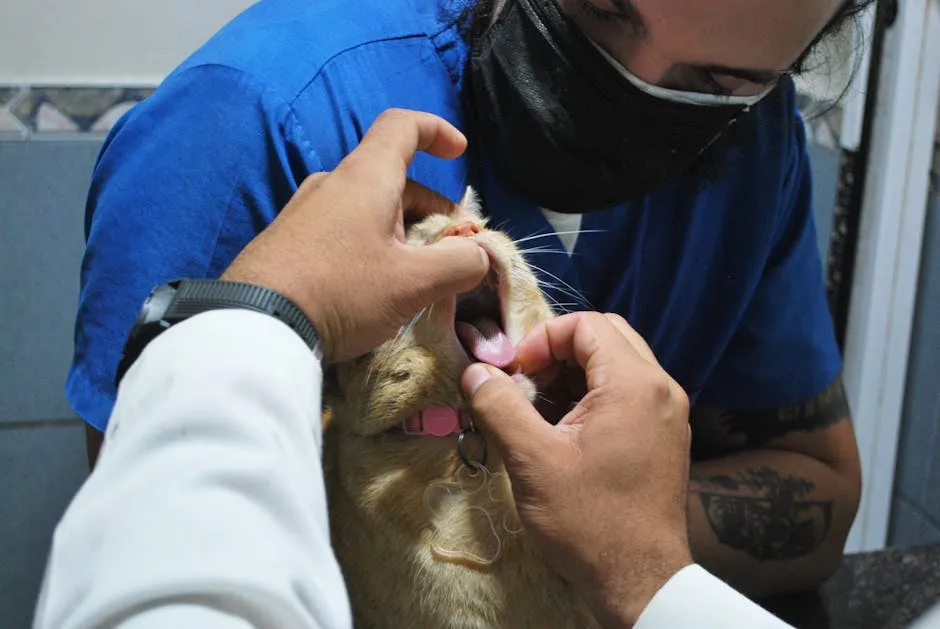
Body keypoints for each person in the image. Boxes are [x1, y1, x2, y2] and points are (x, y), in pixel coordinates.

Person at [67, 0, 867, 597]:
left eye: (716, 81)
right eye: (598, 14)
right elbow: (158, 539)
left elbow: (819, 489)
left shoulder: (754, 141)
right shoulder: (258, 116)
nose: (635, 93)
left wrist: (617, 531)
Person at [36, 111, 796, 629]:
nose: (469, 230)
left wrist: (260, 310)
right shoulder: (245, 114)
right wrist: (660, 583)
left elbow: (173, 577)